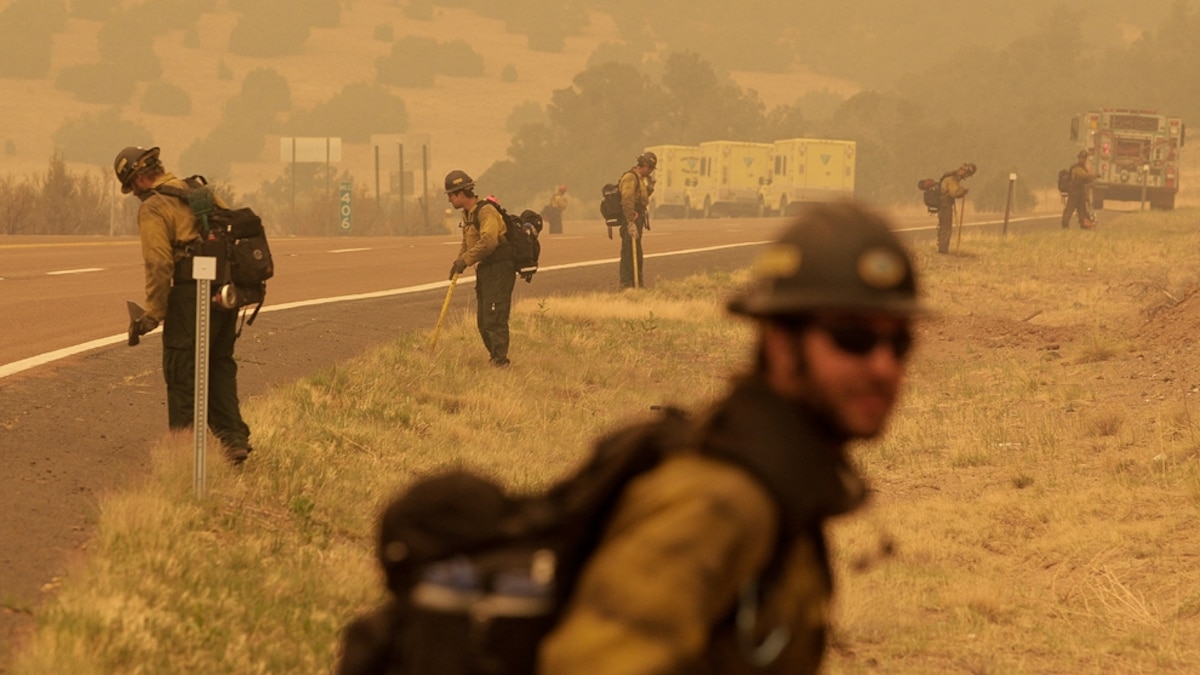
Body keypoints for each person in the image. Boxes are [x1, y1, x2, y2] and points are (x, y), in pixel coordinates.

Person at [540, 201, 922, 674]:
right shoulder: (719, 502)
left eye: (900, 342)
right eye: (852, 338)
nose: (884, 367)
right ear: (781, 343)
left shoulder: (786, 483)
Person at [114, 146, 252, 464]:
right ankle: (233, 439)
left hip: (190, 295)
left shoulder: (154, 206)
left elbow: (159, 263)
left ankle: (185, 454)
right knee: (219, 365)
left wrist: (153, 313)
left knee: (181, 370)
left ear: (138, 180)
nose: (134, 193)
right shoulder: (198, 189)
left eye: (132, 186)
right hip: (224, 292)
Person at [445, 169, 516, 367]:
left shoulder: (486, 211)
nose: (449, 200)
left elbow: (489, 241)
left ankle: (501, 363)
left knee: (495, 318)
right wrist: (458, 262)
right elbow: (467, 242)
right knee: (483, 321)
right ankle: (495, 359)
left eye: (451, 195)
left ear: (460, 194)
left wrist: (465, 260)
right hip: (486, 269)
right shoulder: (468, 214)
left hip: (500, 268)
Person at [618, 152, 656, 289]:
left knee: (637, 252)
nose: (651, 171)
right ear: (644, 165)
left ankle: (637, 282)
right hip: (631, 218)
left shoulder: (639, 179)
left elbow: (641, 198)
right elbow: (627, 200)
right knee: (628, 251)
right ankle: (627, 283)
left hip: (637, 217)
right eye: (650, 168)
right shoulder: (630, 177)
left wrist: (650, 187)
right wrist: (629, 222)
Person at [937, 162, 975, 254]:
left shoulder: (953, 178)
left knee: (944, 226)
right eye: (967, 175)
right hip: (945, 205)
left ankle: (943, 248)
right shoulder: (952, 179)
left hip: (944, 204)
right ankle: (943, 250)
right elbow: (953, 193)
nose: (966, 177)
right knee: (946, 227)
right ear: (963, 171)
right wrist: (962, 191)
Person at [1061, 150, 1096, 230]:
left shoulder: (1083, 167)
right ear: (1078, 158)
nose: (1082, 160)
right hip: (1074, 193)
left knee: (1082, 211)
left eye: (1084, 158)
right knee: (1069, 210)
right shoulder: (1076, 168)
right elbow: (1084, 176)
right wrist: (1095, 176)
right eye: (1081, 158)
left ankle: (1084, 226)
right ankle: (1065, 225)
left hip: (1081, 193)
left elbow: (1086, 179)